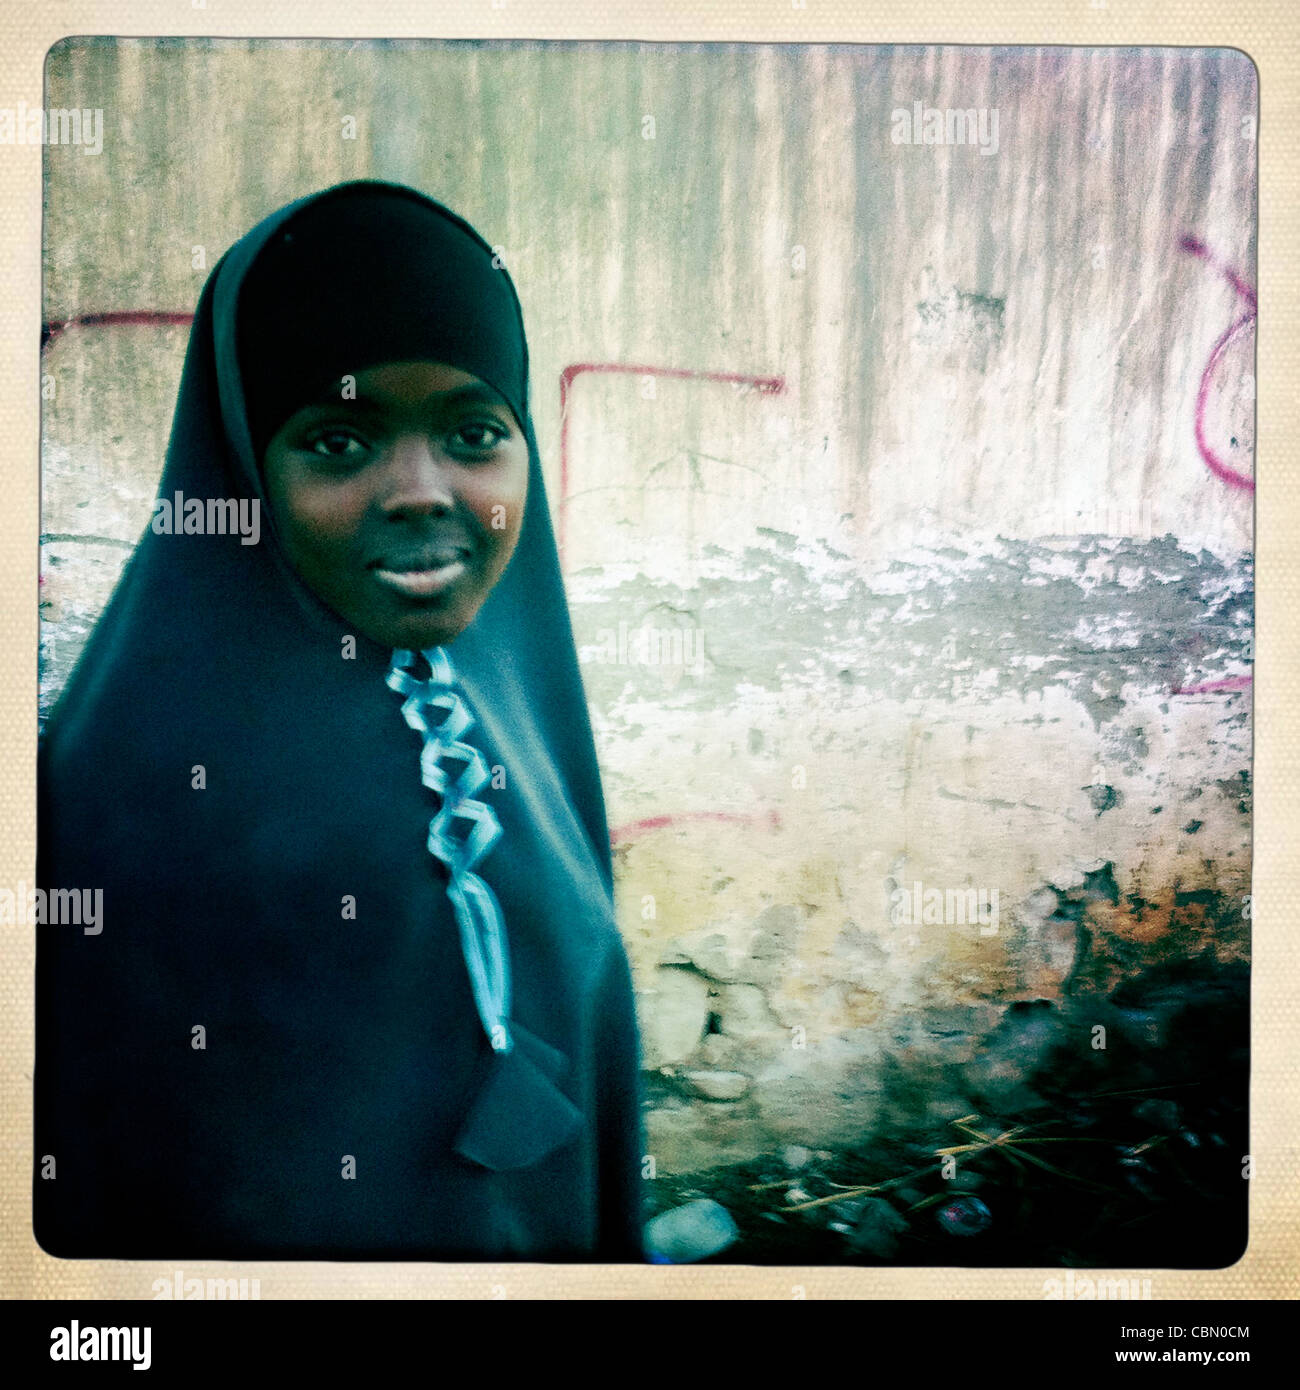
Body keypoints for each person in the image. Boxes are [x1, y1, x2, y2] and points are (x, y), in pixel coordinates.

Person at [34, 180, 647, 1261]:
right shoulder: (138, 794)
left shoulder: (515, 706)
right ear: (241, 466)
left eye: (472, 429)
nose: (420, 488)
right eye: (337, 441)